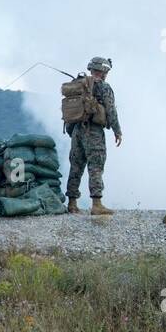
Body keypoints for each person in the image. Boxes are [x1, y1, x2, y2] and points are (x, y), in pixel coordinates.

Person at [66, 56, 122, 216]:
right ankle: (97, 204)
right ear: (104, 71)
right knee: (96, 166)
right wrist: (117, 131)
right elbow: (111, 110)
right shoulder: (103, 87)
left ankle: (72, 203)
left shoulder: (78, 85)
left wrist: (73, 132)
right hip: (94, 132)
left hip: (77, 130)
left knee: (76, 166)